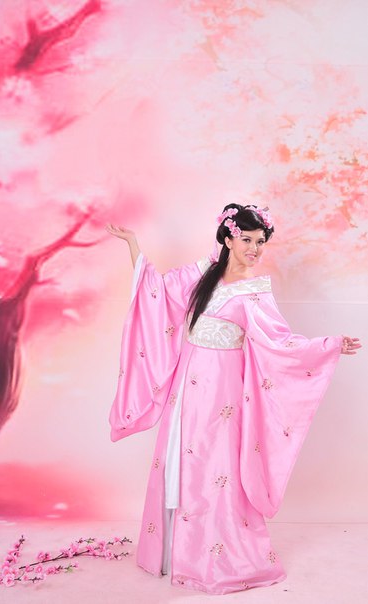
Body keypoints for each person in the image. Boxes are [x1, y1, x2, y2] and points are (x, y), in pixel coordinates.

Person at [106, 204, 361, 595]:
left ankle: (211, 557)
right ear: (228, 239)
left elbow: (281, 342)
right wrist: (133, 245)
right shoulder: (202, 274)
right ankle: (172, 554)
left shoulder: (254, 292)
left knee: (215, 467)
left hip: (221, 393)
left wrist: (328, 345)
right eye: (247, 240)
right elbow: (158, 292)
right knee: (178, 459)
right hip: (184, 387)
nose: (254, 250)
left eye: (260, 242)